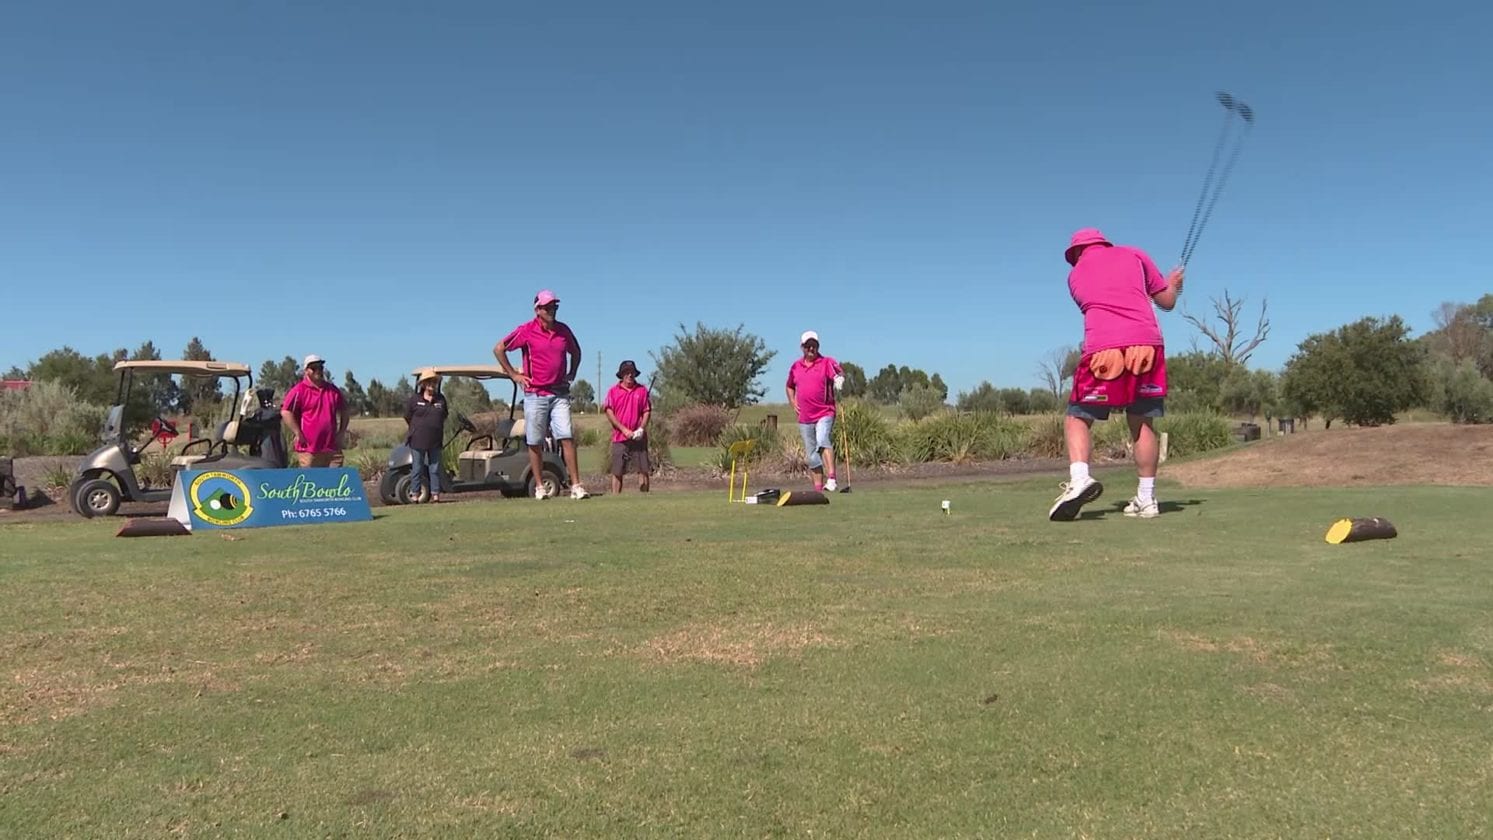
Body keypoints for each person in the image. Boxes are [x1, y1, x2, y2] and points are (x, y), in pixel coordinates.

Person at [1048, 228, 1184, 521]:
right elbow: (1167, 302)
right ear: (1103, 243)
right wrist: (1173, 285)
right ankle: (1147, 499)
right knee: (1141, 420)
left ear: (1077, 252)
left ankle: (1080, 478)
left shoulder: (1074, 277)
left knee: (1078, 417)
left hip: (1103, 350)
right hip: (1147, 345)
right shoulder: (1135, 254)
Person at [494, 289, 590, 499]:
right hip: (535, 393)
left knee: (566, 436)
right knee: (535, 441)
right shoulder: (526, 330)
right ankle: (539, 487)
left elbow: (576, 351)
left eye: (554, 306)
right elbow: (499, 348)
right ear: (537, 310)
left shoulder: (563, 330)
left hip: (559, 393)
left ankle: (576, 486)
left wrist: (572, 372)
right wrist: (514, 375)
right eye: (547, 307)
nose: (551, 310)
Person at [785, 330, 845, 493]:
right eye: (808, 346)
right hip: (805, 417)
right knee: (811, 454)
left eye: (814, 345)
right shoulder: (796, 367)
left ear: (818, 346)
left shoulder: (826, 362)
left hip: (825, 411)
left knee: (822, 438)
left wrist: (839, 379)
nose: (811, 348)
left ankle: (832, 479)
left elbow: (838, 372)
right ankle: (818, 489)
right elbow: (790, 385)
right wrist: (792, 401)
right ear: (802, 347)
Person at [280, 354, 350, 468]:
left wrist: (341, 432)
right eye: (314, 368)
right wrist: (297, 433)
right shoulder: (299, 390)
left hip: (332, 449)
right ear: (306, 371)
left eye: (320, 368)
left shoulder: (332, 390)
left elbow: (345, 410)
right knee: (311, 483)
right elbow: (286, 411)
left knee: (334, 483)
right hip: (308, 449)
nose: (318, 371)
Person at [603, 360, 652, 494]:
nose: (630, 375)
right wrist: (624, 429)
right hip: (620, 437)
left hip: (639, 437)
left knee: (643, 469)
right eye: (626, 372)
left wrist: (641, 428)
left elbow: (646, 411)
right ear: (621, 374)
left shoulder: (642, 390)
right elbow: (609, 411)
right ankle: (615, 499)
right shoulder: (613, 391)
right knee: (617, 471)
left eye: (632, 372)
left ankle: (645, 498)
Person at [403, 368, 448, 503]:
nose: (431, 385)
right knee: (417, 468)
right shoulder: (414, 399)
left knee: (434, 468)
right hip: (418, 440)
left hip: (435, 440)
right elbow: (408, 416)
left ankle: (435, 495)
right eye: (428, 382)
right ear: (423, 384)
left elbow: (444, 415)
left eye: (433, 382)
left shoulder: (441, 399)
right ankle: (415, 494)